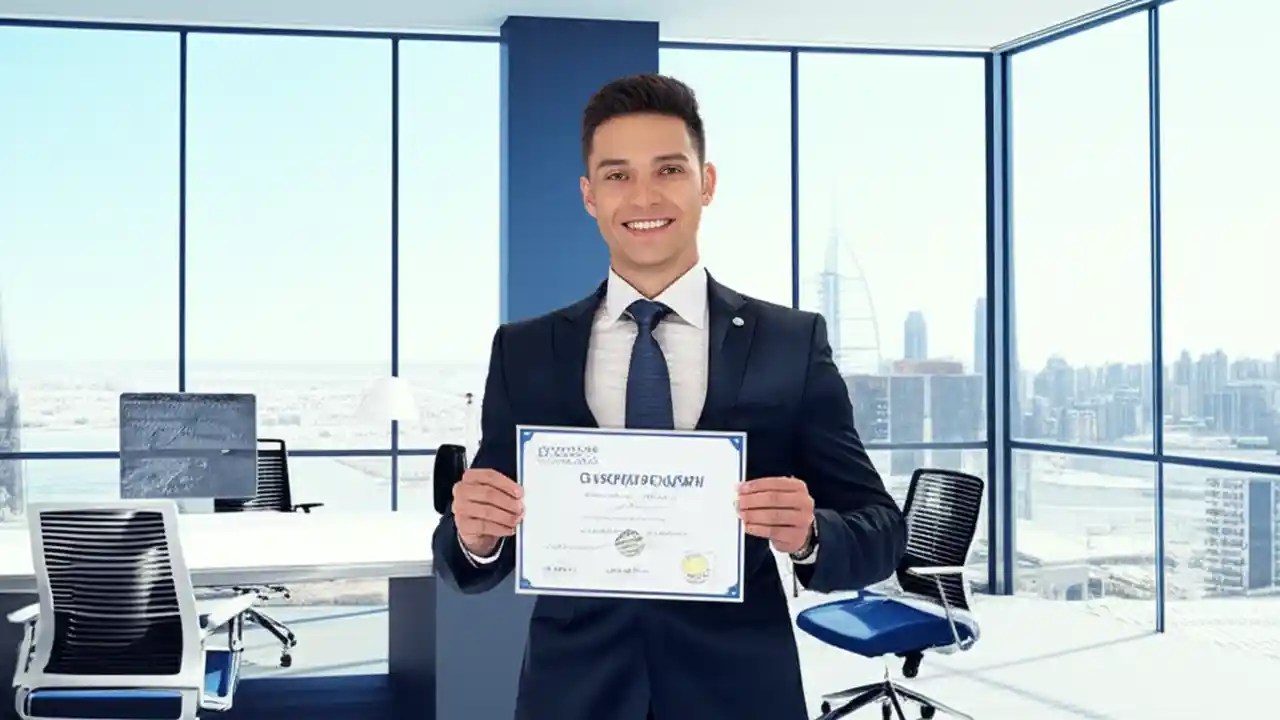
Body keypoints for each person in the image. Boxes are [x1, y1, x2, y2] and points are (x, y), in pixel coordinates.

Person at [431, 73, 906, 720]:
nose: (644, 195)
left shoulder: (789, 343)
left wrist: (811, 535)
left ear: (706, 183)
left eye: (669, 169)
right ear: (589, 195)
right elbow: (469, 556)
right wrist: (475, 534)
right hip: (574, 693)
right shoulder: (525, 350)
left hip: (738, 691)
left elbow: (881, 530)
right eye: (617, 175)